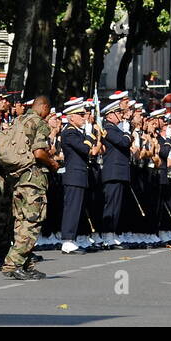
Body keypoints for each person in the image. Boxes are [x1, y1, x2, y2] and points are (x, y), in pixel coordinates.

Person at [1, 95, 56, 279]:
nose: (48, 114)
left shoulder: (19, 119)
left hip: (18, 177)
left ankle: (27, 263)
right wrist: (52, 163)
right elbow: (39, 153)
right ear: (44, 107)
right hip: (33, 179)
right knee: (32, 222)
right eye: (48, 110)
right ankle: (13, 263)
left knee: (20, 222)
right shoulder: (38, 122)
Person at [59, 99, 99, 255]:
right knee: (72, 208)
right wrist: (89, 135)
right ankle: (67, 241)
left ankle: (73, 238)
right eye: (80, 114)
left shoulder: (76, 132)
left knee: (77, 208)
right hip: (73, 175)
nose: (84, 117)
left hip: (79, 175)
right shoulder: (69, 132)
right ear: (71, 117)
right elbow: (84, 149)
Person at [98, 96, 132, 249]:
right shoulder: (108, 129)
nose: (121, 114)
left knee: (116, 205)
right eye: (117, 112)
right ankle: (107, 235)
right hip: (113, 172)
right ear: (110, 115)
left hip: (119, 172)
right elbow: (124, 142)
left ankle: (112, 233)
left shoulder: (115, 129)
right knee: (111, 205)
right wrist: (126, 131)